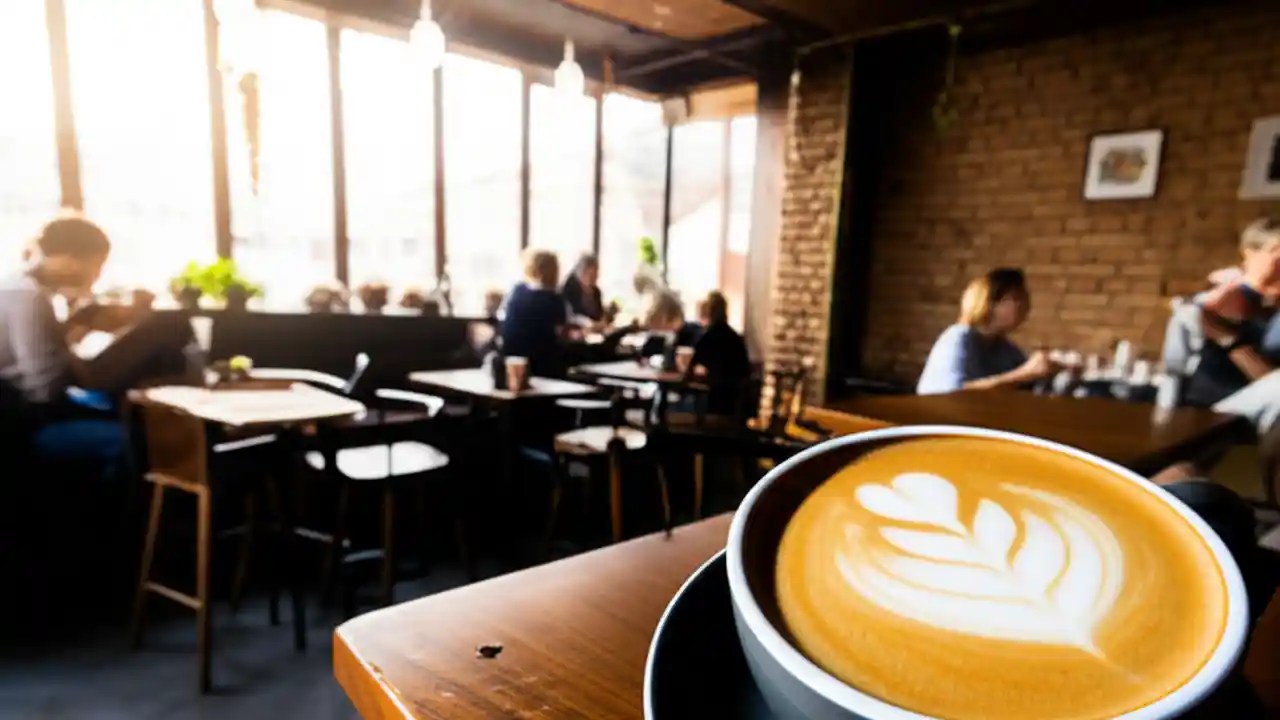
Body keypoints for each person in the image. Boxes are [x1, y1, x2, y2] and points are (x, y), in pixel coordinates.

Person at [0, 215, 123, 464]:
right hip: (27, 422)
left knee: (111, 405)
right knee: (133, 440)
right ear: (70, 261)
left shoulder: (15, 285)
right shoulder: (29, 297)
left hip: (25, 410)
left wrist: (68, 330)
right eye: (97, 265)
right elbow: (44, 389)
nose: (97, 276)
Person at [1163, 217, 1280, 435]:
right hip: (1211, 416)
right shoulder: (1211, 302)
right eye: (1278, 254)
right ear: (1250, 253)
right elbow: (1174, 372)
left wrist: (1229, 339)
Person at [917, 267, 1056, 394]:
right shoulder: (958, 338)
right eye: (1016, 298)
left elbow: (1028, 384)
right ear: (989, 304)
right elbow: (948, 394)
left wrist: (1054, 370)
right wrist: (1025, 373)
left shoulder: (1005, 348)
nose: (1026, 305)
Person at [500, 248, 569, 377]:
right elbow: (559, 333)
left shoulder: (517, 292)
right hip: (546, 364)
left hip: (513, 361)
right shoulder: (555, 300)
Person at [689, 291, 751, 415]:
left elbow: (692, 366)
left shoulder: (707, 337)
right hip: (734, 401)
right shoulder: (735, 338)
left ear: (709, 312)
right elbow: (745, 369)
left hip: (712, 399)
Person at [562, 253, 605, 327]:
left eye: (596, 273)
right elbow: (570, 316)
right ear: (581, 272)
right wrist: (589, 323)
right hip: (575, 332)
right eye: (590, 275)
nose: (595, 277)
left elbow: (599, 316)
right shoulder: (569, 289)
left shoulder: (596, 292)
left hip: (594, 334)